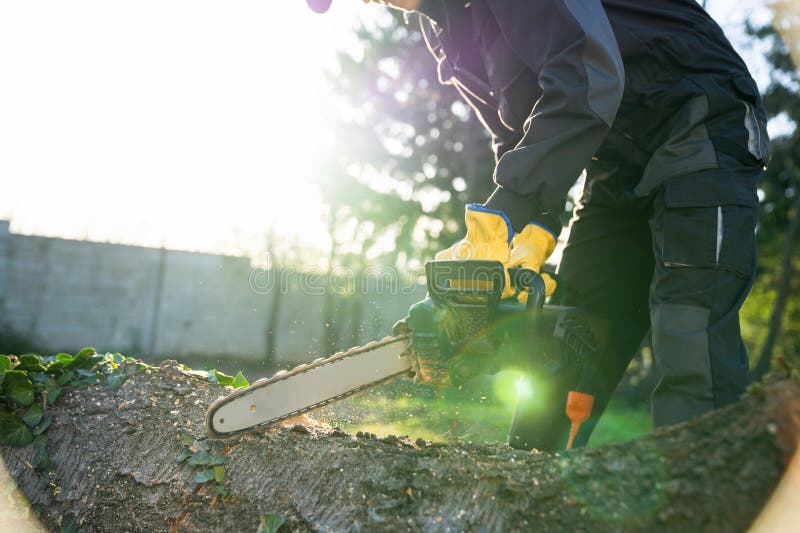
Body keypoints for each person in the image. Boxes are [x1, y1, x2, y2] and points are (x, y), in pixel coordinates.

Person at [364, 0, 770, 450]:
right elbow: (516, 130)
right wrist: (532, 227)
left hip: (697, 122)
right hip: (614, 163)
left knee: (689, 333)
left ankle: (702, 501)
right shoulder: (448, 25)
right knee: (572, 339)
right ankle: (529, 494)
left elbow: (587, 75)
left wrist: (507, 207)